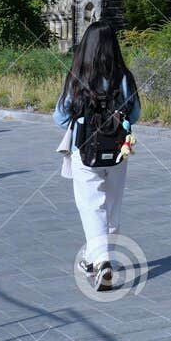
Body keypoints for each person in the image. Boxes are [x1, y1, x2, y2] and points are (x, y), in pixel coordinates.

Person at [54, 20, 140, 292]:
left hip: (85, 150)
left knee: (92, 206)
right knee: (112, 206)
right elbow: (135, 114)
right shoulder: (123, 77)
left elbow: (60, 117)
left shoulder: (78, 76)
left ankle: (101, 261)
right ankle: (97, 260)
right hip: (117, 150)